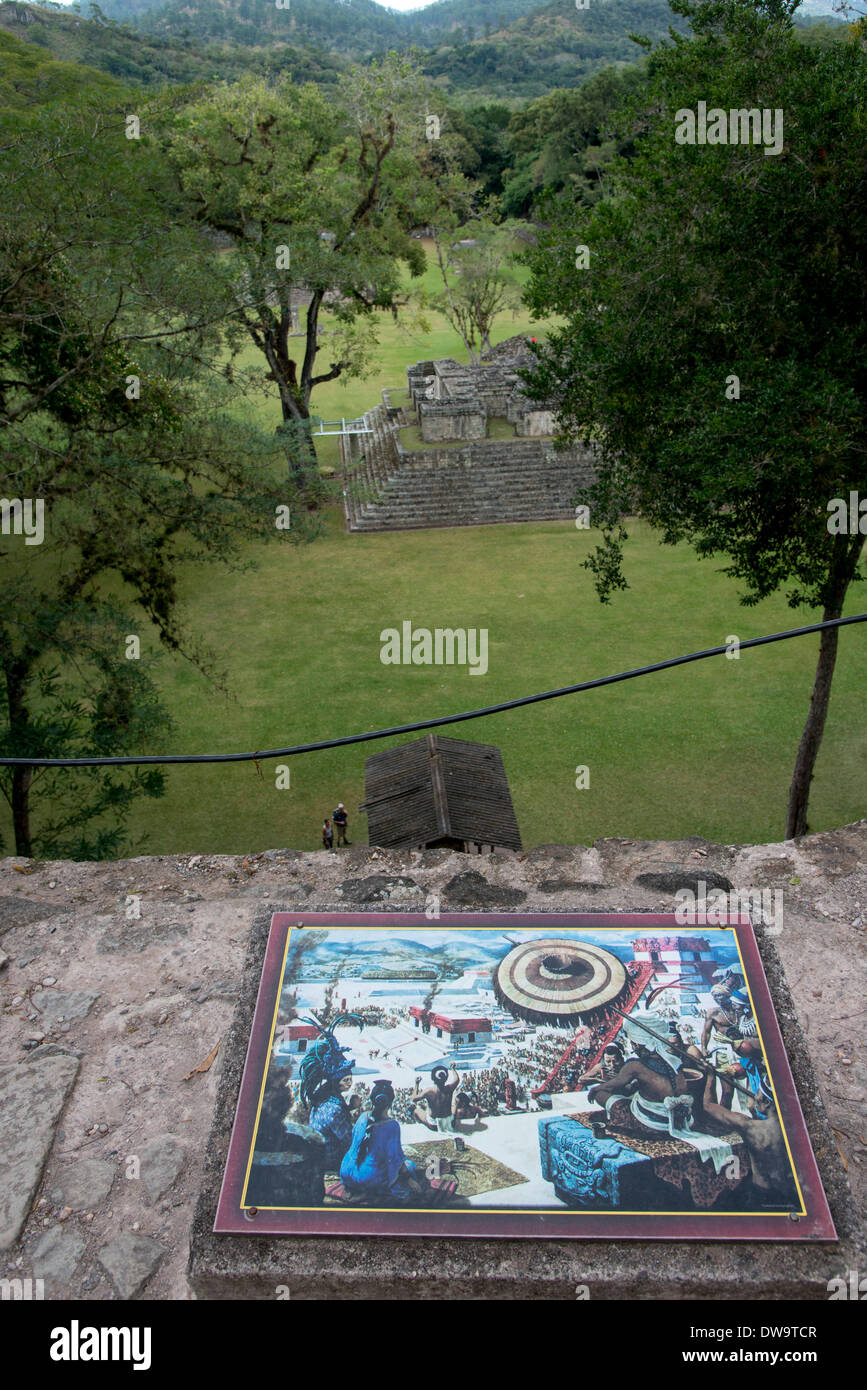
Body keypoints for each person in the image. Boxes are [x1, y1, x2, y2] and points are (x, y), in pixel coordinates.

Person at [340, 1080, 424, 1202]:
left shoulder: (363, 1117)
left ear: (372, 1099)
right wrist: (409, 1179)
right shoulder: (392, 1126)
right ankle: (369, 1192)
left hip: (346, 1171)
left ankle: (355, 1189)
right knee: (411, 1166)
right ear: (390, 1102)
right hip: (366, 1177)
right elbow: (396, 1159)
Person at [413, 1064, 460, 1132]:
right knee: (454, 1105)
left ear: (433, 1079)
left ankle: (419, 1125)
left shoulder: (429, 1091)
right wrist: (453, 1069)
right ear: (446, 1078)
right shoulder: (450, 1088)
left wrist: (417, 1084)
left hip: (434, 1125)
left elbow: (414, 1099)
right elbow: (457, 1079)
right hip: (449, 1123)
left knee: (416, 1111)